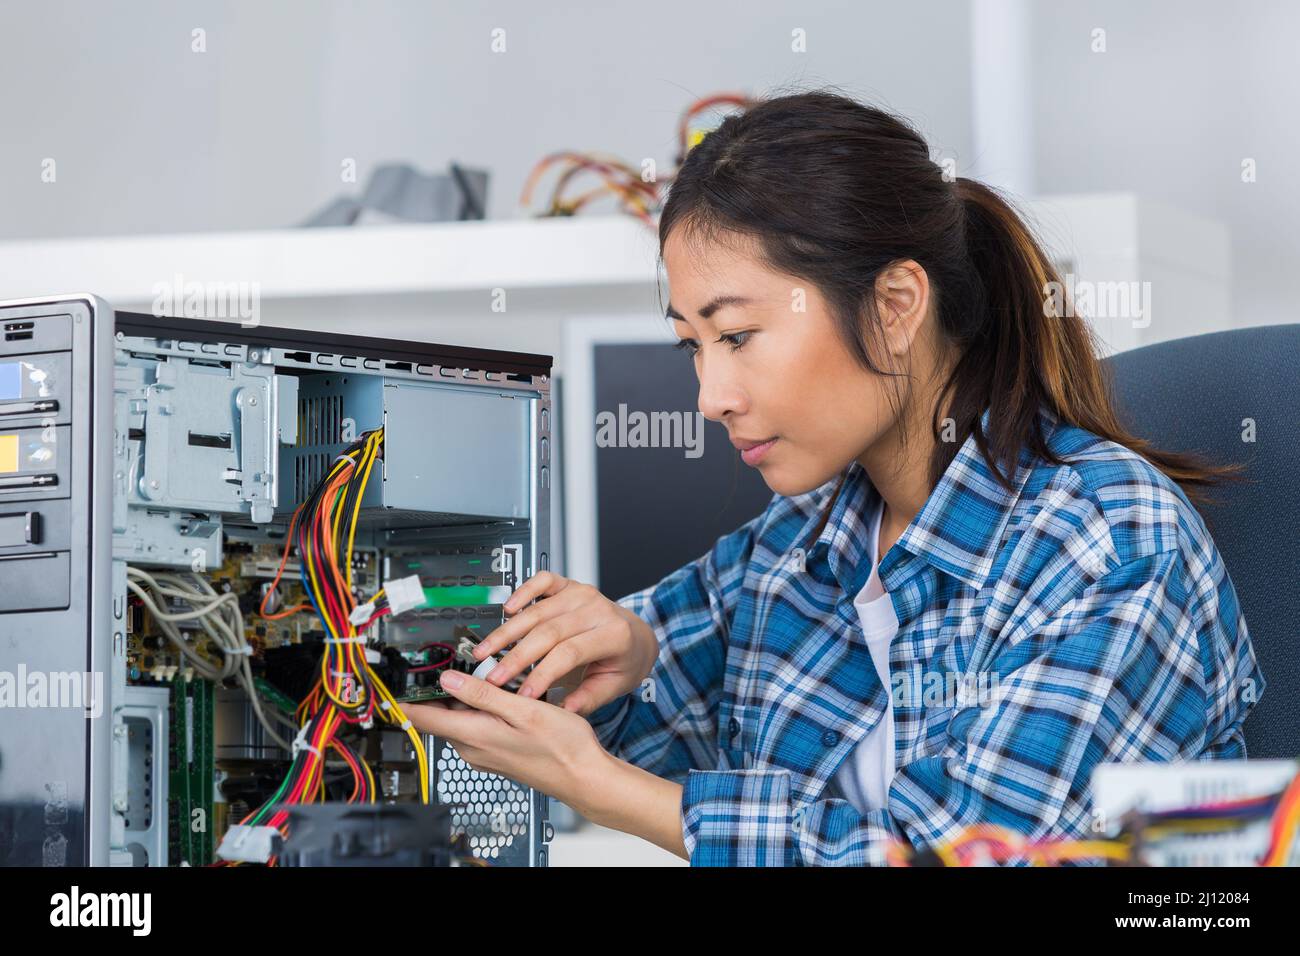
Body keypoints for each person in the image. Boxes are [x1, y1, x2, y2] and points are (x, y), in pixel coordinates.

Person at [405, 89, 1265, 866]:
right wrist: (622, 659)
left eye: (737, 336)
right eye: (691, 346)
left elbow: (969, 858)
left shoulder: (1108, 544)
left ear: (895, 306)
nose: (710, 396)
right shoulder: (794, 547)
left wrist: (614, 795)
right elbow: (645, 708)